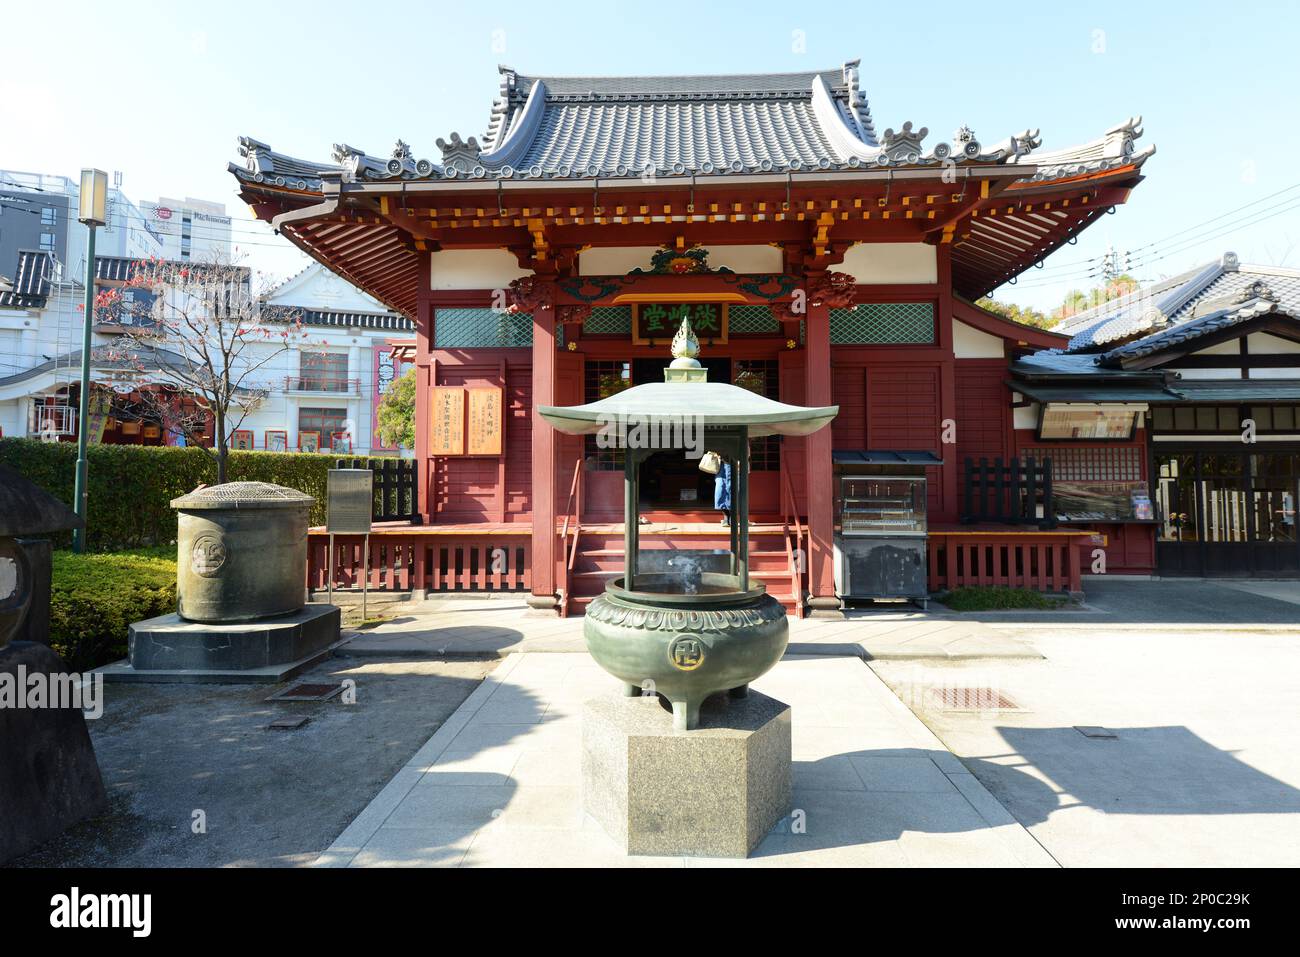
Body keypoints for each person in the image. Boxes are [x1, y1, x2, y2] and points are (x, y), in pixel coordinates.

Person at [715, 458, 733, 526]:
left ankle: (729, 518)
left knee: (730, 489)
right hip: (723, 464)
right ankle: (727, 518)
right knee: (723, 489)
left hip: (730, 463)